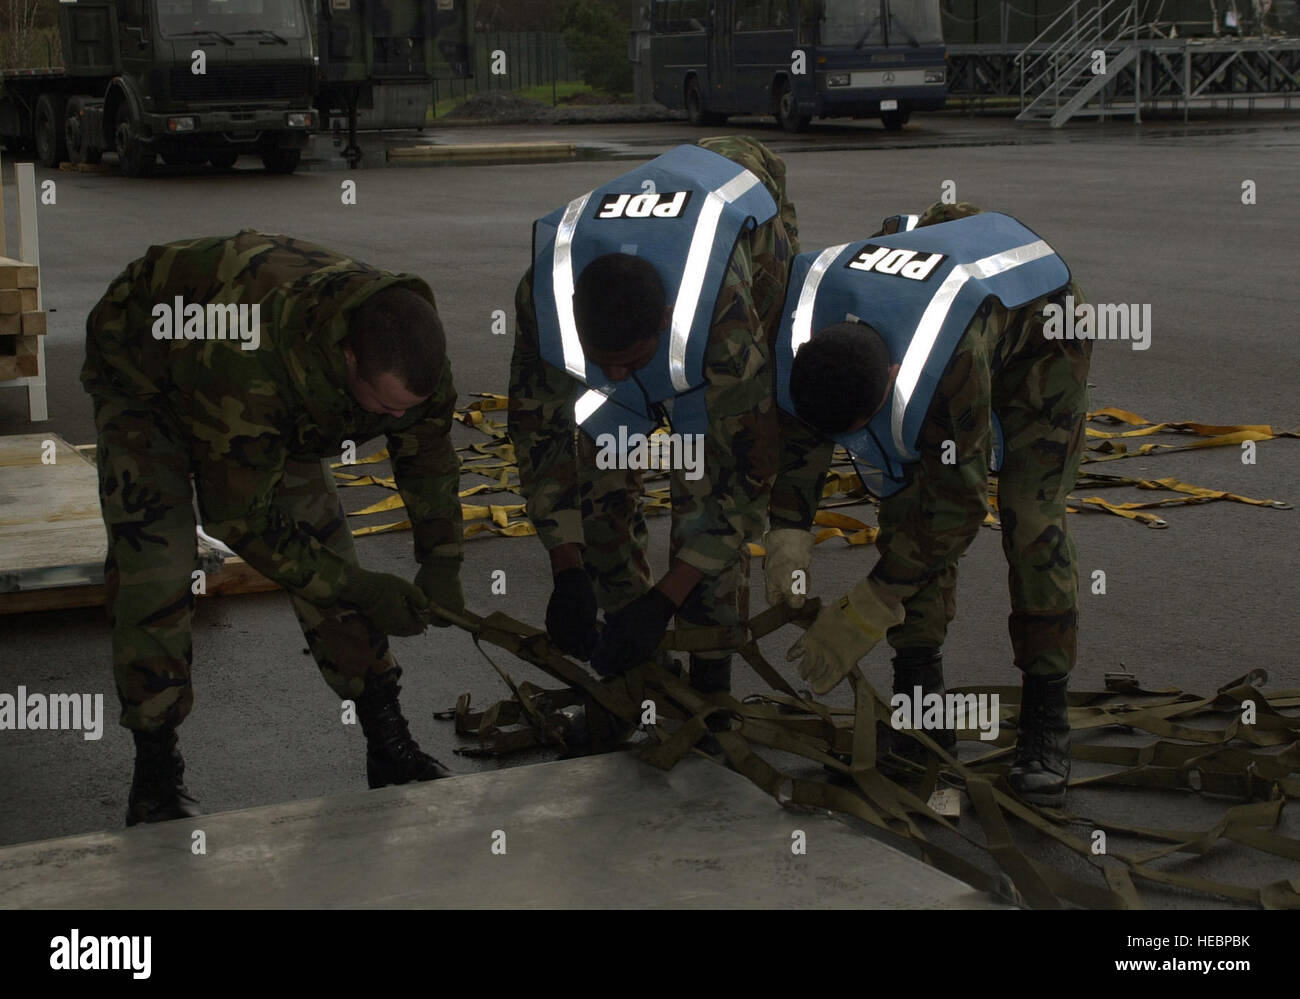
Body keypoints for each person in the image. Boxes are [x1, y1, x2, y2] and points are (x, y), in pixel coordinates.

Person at [81, 230, 466, 826]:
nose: (395, 420)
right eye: (383, 407)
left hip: (268, 388)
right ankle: (155, 766)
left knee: (324, 550)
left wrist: (442, 559)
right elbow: (239, 518)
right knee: (156, 563)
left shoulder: (411, 354)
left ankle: (387, 740)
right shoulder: (255, 367)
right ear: (348, 358)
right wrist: (361, 590)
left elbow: (428, 455)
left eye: (403, 409)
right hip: (146, 371)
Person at [765, 203, 1090, 803]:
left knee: (1029, 518)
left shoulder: (948, 362)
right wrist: (789, 528)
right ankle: (923, 715)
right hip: (924, 271)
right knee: (902, 499)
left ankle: (1047, 722)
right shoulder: (799, 318)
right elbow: (804, 425)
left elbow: (958, 506)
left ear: (891, 377)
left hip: (1041, 323)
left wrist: (875, 600)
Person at [509, 136, 798, 695]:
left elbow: (745, 478)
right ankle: (635, 671)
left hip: (749, 215)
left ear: (666, 321)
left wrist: (667, 599)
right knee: (600, 486)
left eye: (632, 362)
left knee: (702, 481)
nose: (615, 376)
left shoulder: (725, 319)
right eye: (602, 362)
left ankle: (710, 683)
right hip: (661, 231)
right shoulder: (541, 293)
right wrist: (566, 566)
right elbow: (536, 433)